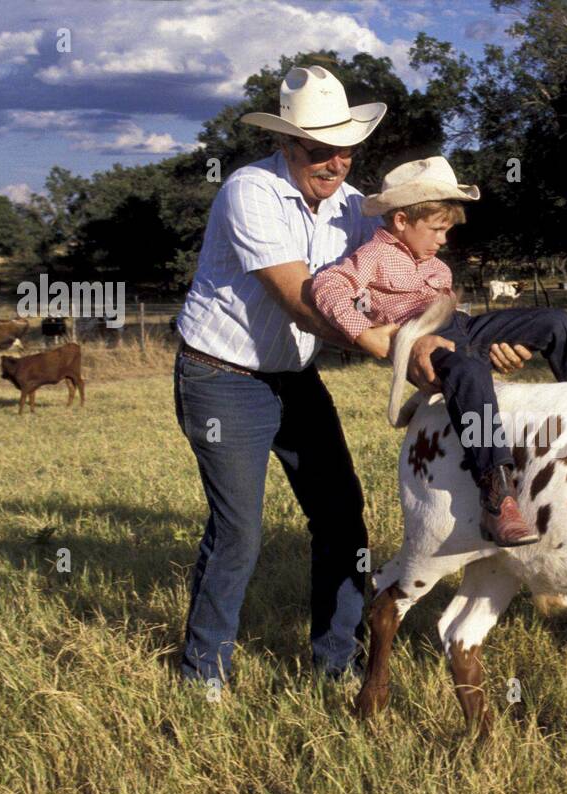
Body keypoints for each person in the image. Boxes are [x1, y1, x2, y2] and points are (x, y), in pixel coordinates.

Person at [173, 65, 388, 685]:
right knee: (239, 531)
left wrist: (457, 337)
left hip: (294, 379)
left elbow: (397, 278)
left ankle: (335, 663)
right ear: (286, 144)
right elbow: (300, 300)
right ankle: (203, 673)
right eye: (318, 148)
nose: (335, 161)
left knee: (343, 518)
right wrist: (388, 347)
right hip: (222, 377)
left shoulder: (354, 208)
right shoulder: (249, 191)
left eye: (344, 147)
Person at [312, 156, 567, 547]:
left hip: (462, 326)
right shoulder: (374, 254)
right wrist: (364, 333)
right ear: (401, 221)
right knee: (469, 370)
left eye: (447, 230)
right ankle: (496, 492)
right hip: (427, 338)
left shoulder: (433, 264)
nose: (443, 239)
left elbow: (455, 313)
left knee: (556, 322)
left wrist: (495, 341)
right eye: (437, 229)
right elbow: (328, 286)